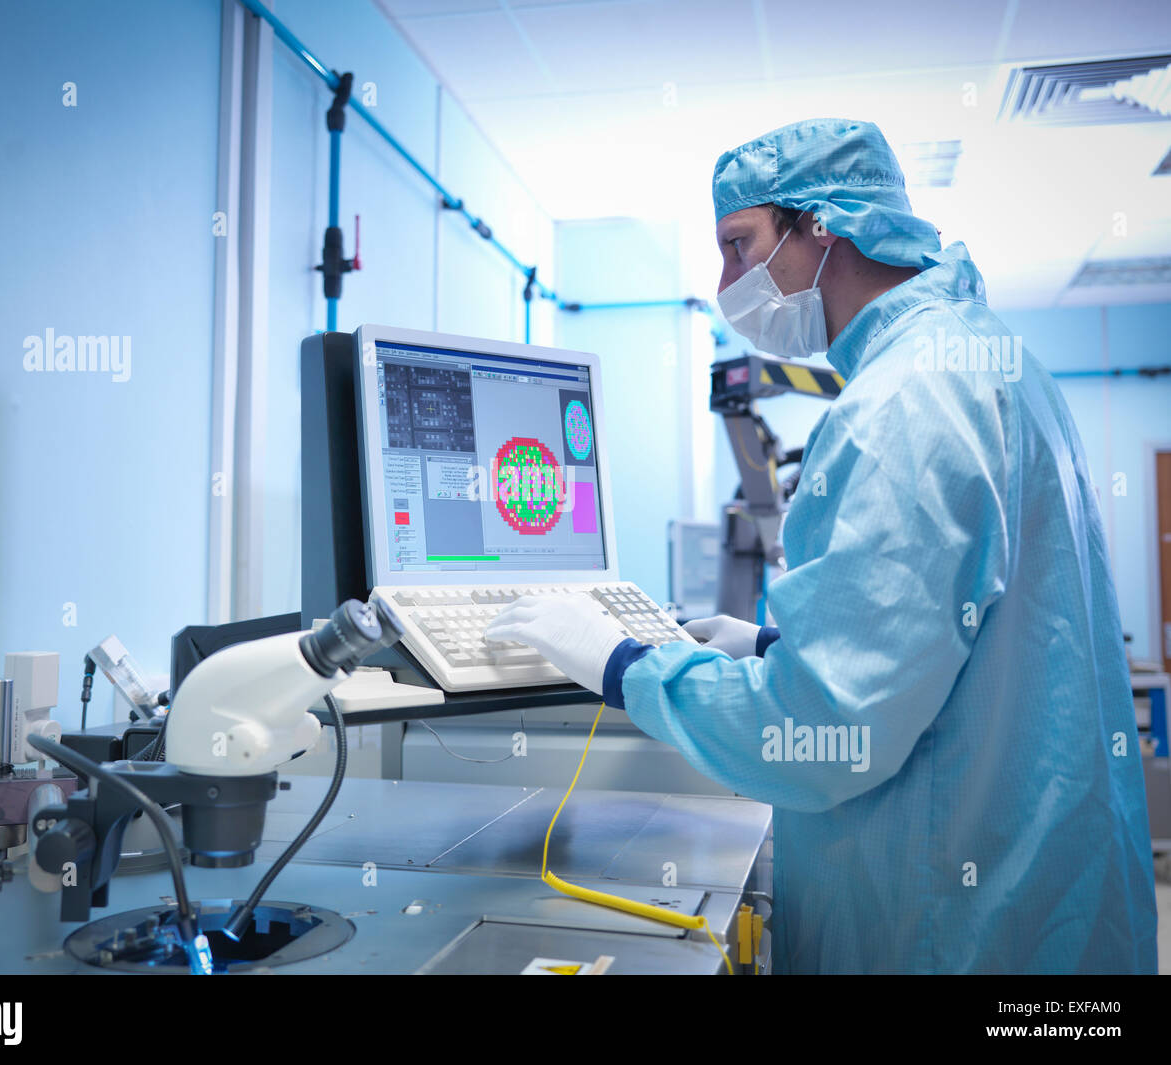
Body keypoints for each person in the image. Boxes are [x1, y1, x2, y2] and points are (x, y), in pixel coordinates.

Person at [487, 118, 1158, 974]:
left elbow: (825, 730)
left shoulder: (904, 405)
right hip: (1050, 913)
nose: (728, 282)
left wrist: (623, 667)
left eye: (740, 246)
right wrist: (770, 646)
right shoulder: (988, 358)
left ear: (823, 223)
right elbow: (962, 647)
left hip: (954, 933)